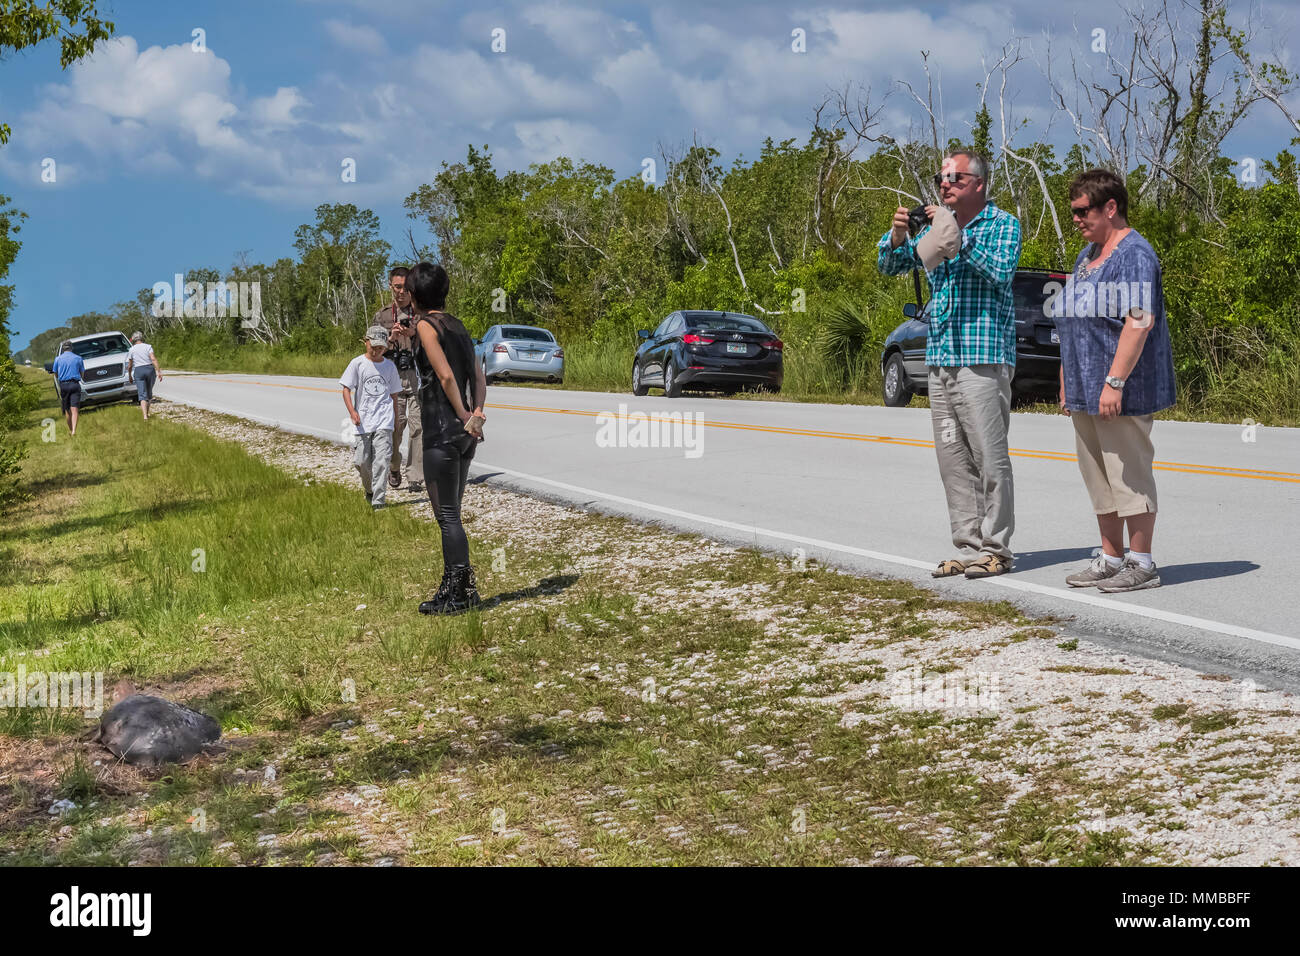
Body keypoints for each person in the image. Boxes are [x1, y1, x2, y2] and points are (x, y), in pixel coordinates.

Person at [877, 150, 1023, 579]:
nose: (944, 185)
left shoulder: (1002, 226)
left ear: (978, 183)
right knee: (953, 461)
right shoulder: (937, 227)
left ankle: (997, 548)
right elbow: (889, 265)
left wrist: (955, 234)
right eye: (941, 178)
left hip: (982, 360)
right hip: (941, 360)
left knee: (990, 458)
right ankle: (969, 546)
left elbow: (999, 272)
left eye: (955, 178)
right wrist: (900, 234)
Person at [1054, 169, 1176, 592]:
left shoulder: (1134, 254)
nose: (1075, 218)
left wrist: (1115, 382)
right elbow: (1073, 319)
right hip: (1086, 388)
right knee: (1099, 478)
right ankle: (1110, 558)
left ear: (1111, 207)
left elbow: (1139, 321)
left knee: (1128, 475)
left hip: (1122, 389)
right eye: (1073, 211)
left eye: (1082, 210)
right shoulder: (1087, 257)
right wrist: (1067, 378)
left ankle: (1142, 563)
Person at [408, 261, 487, 615]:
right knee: (452, 514)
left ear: (413, 296)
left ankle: (461, 592)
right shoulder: (458, 325)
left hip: (443, 429)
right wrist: (477, 414)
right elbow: (478, 375)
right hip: (466, 434)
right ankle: (451, 587)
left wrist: (461, 415)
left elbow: (446, 377)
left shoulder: (427, 325)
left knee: (448, 517)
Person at [340, 326, 404, 510]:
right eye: (373, 346)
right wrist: (353, 411)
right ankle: (369, 490)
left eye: (381, 348)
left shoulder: (389, 366)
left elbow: (394, 395)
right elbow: (346, 388)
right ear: (365, 342)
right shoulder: (357, 364)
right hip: (363, 422)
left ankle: (379, 501)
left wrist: (396, 419)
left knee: (381, 461)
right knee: (361, 461)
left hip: (384, 420)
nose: (376, 351)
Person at [372, 266, 423, 494]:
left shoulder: (421, 315)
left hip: (416, 377)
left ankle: (415, 476)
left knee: (418, 428)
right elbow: (372, 353)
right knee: (395, 430)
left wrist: (415, 335)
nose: (401, 292)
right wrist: (390, 339)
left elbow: (433, 347)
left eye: (405, 287)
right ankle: (394, 466)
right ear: (391, 287)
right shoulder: (382, 316)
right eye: (397, 287)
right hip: (391, 381)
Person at [51, 341, 85, 437]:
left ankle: (71, 430)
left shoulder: (58, 359)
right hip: (75, 384)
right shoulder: (78, 358)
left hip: (64, 385)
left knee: (67, 409)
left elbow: (56, 374)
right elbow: (82, 373)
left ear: (63, 349)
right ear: (71, 348)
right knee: (74, 409)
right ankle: (74, 430)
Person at [125, 331, 162, 421]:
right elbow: (153, 359)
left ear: (133, 339)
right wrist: (158, 371)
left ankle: (145, 416)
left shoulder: (131, 349)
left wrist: (129, 375)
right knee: (149, 394)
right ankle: (147, 414)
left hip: (138, 371)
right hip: (149, 369)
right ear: (142, 338)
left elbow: (129, 365)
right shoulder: (148, 346)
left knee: (142, 394)